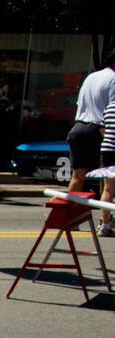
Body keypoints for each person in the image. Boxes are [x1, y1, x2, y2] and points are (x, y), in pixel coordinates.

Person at [65, 49, 115, 195]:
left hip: (79, 127)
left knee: (77, 177)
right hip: (99, 129)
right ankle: (104, 217)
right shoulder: (113, 78)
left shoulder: (91, 77)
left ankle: (67, 215)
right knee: (107, 180)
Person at [98, 93, 115, 238]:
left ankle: (105, 225)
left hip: (107, 150)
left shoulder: (109, 108)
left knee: (108, 189)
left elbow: (102, 129)